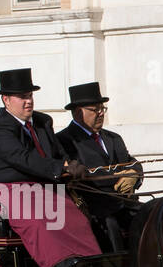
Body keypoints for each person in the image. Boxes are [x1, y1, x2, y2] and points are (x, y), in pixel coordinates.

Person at [0, 68, 102, 267]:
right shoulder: (0, 132)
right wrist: (60, 167)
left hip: (39, 185)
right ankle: (61, 266)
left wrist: (70, 166)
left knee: (72, 214)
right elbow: (25, 159)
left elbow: (55, 152)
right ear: (6, 100)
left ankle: (89, 262)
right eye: (22, 97)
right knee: (37, 221)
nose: (28, 101)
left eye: (30, 96)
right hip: (5, 188)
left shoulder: (42, 123)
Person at [56, 81, 143, 250]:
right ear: (77, 113)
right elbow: (74, 177)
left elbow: (132, 163)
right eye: (95, 110)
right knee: (109, 225)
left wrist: (133, 174)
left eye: (102, 109)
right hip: (94, 210)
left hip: (125, 205)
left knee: (155, 213)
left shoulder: (113, 139)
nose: (101, 113)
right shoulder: (64, 141)